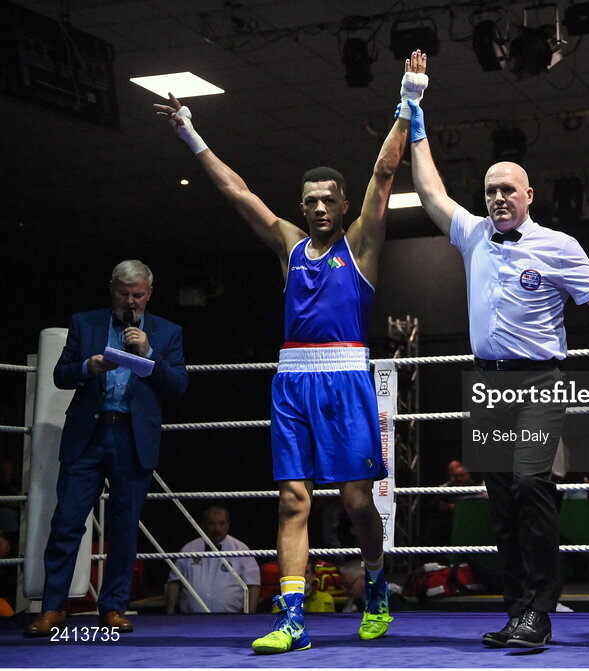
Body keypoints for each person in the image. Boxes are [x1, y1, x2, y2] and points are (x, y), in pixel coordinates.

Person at [155, 51, 427, 652]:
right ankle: (293, 619)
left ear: (343, 204)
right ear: (302, 207)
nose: (320, 208)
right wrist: (188, 130)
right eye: (310, 202)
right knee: (292, 499)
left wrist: (409, 101)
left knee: (357, 504)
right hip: (292, 382)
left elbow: (383, 176)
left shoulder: (362, 244)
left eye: (329, 199)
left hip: (347, 380)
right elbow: (236, 191)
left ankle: (377, 584)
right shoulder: (289, 246)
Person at [407, 97, 589, 648]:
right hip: (487, 382)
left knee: (529, 483)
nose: (498, 197)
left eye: (507, 190)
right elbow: (430, 192)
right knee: (501, 501)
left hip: (540, 382)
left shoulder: (559, 246)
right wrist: (417, 115)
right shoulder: (472, 234)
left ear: (528, 196)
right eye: (491, 190)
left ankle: (541, 610)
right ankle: (518, 610)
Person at [24, 260, 188, 636]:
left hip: (133, 438)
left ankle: (113, 608)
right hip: (89, 435)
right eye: (124, 294)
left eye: (138, 296)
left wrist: (148, 354)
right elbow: (60, 375)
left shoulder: (167, 332)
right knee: (67, 523)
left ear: (149, 295)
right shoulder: (85, 323)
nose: (130, 302)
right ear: (111, 290)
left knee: (124, 528)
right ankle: (53, 609)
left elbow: (178, 386)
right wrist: (87, 367)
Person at [165, 506, 260, 614]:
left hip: (232, 620)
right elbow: (174, 582)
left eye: (221, 523)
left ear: (228, 525)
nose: (217, 529)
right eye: (211, 524)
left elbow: (253, 584)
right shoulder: (189, 549)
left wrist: (250, 616)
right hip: (191, 620)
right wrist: (169, 615)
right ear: (203, 525)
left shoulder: (241, 550)